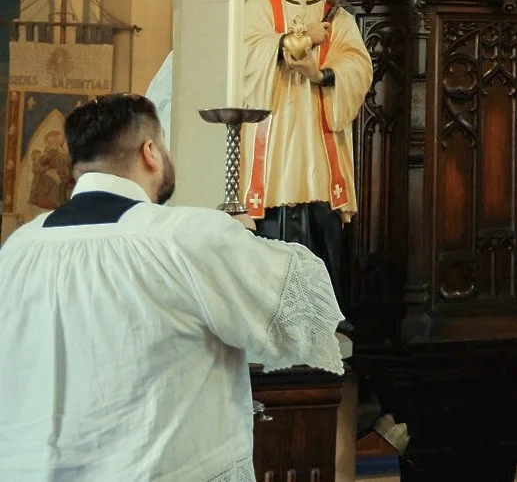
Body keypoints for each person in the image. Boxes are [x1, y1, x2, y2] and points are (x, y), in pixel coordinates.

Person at [0, 94, 344, 482]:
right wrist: (245, 239)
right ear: (150, 152)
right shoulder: (184, 238)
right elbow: (304, 313)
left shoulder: (18, 249)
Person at [243, 0, 373, 310]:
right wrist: (293, 39)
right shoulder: (259, 5)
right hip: (276, 124)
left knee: (320, 217)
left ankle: (323, 310)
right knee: (277, 211)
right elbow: (244, 50)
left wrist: (323, 73)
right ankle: (275, 310)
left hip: (319, 126)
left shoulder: (338, 13)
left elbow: (360, 65)